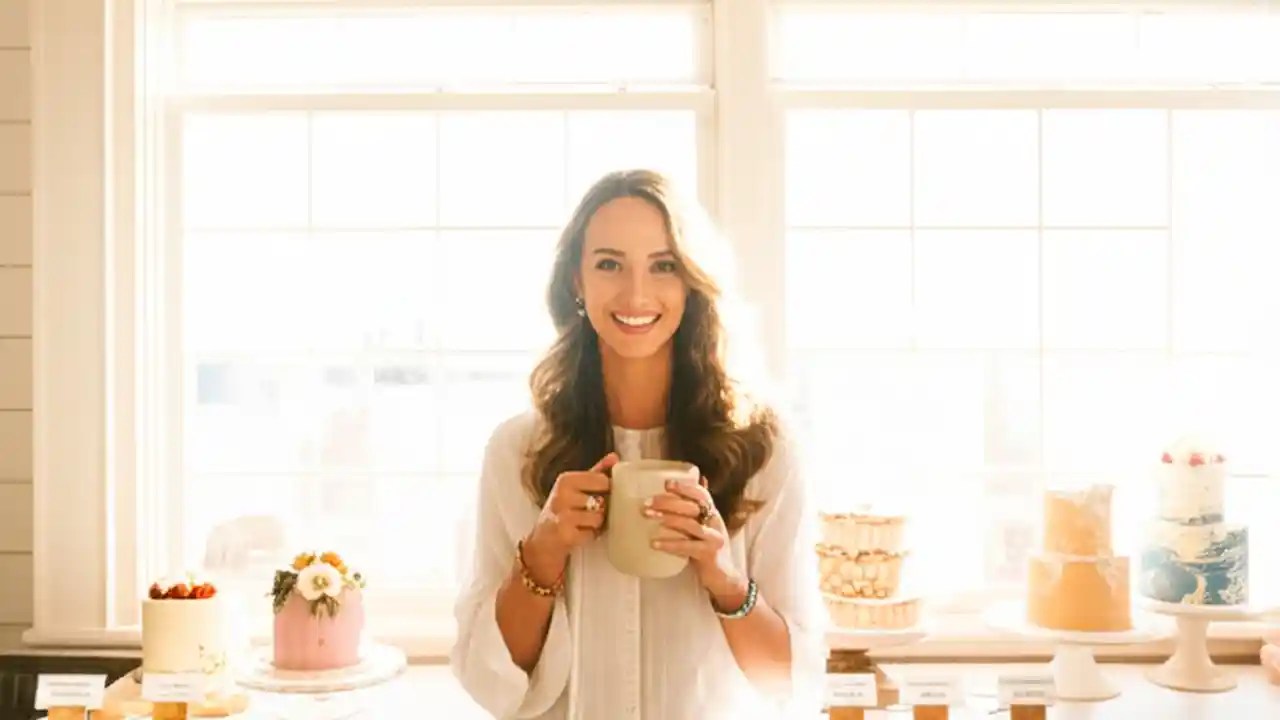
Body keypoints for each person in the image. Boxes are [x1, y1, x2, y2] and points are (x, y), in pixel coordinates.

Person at [450, 169, 827, 720]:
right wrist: (544, 554)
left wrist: (724, 577)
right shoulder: (518, 451)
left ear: (691, 282)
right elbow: (491, 683)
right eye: (609, 264)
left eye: (663, 265)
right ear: (576, 281)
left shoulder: (763, 448)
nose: (636, 293)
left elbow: (790, 683)